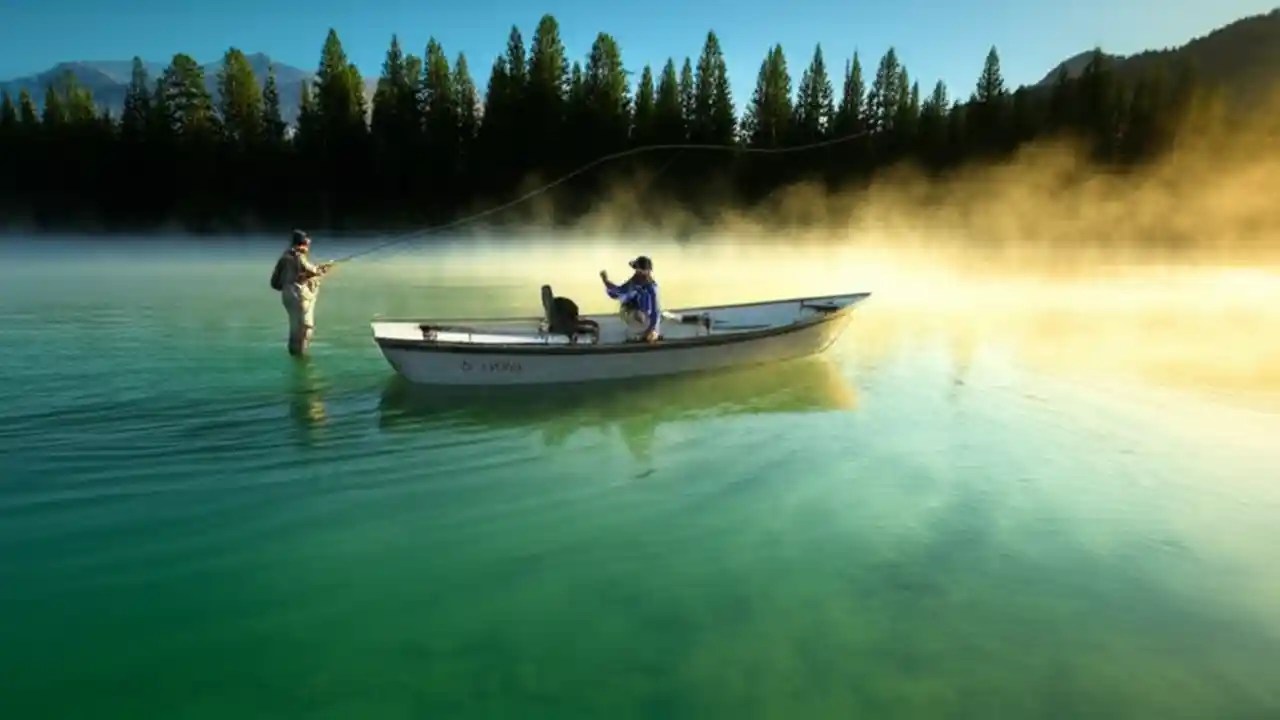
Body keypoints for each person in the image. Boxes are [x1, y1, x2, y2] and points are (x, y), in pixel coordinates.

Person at [271, 229, 335, 356]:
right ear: (303, 243)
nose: (308, 247)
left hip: (287, 296)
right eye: (307, 244)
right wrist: (322, 269)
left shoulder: (284, 257)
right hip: (298, 296)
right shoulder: (298, 255)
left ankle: (294, 354)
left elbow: (275, 282)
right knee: (305, 329)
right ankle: (300, 356)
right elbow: (310, 270)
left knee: (295, 328)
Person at [600, 255, 660, 343]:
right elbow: (655, 311)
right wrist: (654, 329)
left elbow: (617, 294)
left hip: (641, 328)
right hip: (649, 327)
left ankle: (641, 335)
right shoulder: (653, 286)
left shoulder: (636, 285)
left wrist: (605, 281)